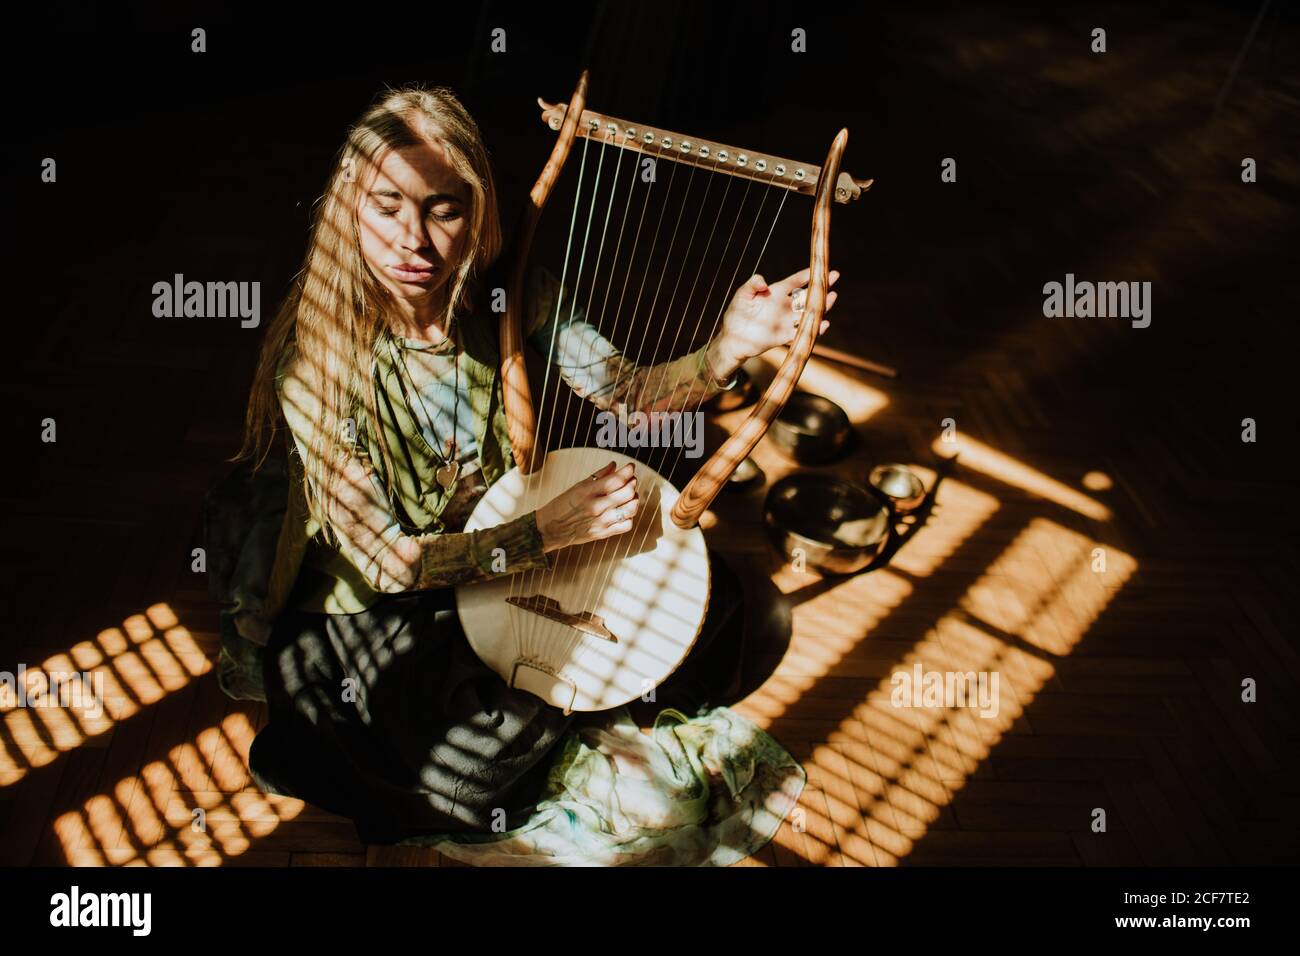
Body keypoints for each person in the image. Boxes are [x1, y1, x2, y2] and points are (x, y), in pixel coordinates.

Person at [228, 83, 839, 844]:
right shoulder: (313, 366)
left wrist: (727, 349)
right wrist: (546, 533)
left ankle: (562, 691)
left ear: (476, 211)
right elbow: (389, 566)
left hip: (509, 548)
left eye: (443, 208)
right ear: (349, 207)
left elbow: (629, 394)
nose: (413, 241)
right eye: (387, 205)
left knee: (721, 613)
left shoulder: (508, 290)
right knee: (468, 769)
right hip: (377, 606)